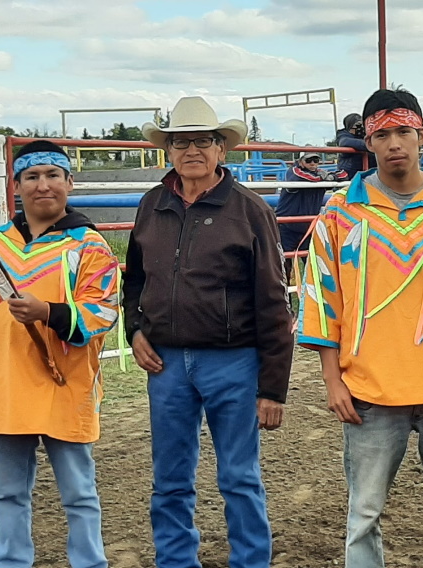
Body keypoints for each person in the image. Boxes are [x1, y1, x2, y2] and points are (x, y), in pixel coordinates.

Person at [298, 88, 423, 568]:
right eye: (382, 134)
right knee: (363, 515)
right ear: (368, 141)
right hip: (368, 389)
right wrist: (332, 380)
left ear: (421, 135)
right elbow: (323, 295)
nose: (394, 143)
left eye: (404, 131)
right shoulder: (340, 211)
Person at [123, 96, 294, 568]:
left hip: (233, 361)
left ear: (222, 149)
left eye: (202, 141)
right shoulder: (151, 204)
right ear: (169, 150)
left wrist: (272, 386)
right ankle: (176, 561)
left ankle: (250, 562)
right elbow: (134, 277)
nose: (191, 150)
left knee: (239, 475)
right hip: (166, 363)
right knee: (170, 477)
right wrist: (134, 328)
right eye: (181, 142)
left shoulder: (249, 210)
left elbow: (273, 299)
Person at [0, 140, 120, 568]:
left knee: (78, 492)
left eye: (52, 175)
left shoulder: (90, 247)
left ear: (69, 183)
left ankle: (89, 562)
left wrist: (50, 313)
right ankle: (10, 562)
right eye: (32, 177)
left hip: (66, 385)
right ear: (16, 187)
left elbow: (104, 311)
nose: (43, 186)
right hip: (5, 385)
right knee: (7, 493)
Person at [278, 151, 348, 281]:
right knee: (283, 267)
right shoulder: (294, 172)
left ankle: (310, 298)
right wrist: (327, 177)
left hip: (308, 227)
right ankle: (284, 298)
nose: (313, 164)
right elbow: (305, 177)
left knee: (314, 267)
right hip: (286, 227)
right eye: (309, 160)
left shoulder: (319, 174)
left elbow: (344, 174)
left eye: (316, 160)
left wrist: (327, 176)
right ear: (300, 162)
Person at [335, 112, 375, 179]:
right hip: (350, 176)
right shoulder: (343, 135)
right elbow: (344, 142)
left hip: (370, 175)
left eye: (362, 124)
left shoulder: (367, 135)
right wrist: (373, 145)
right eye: (357, 125)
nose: (360, 127)